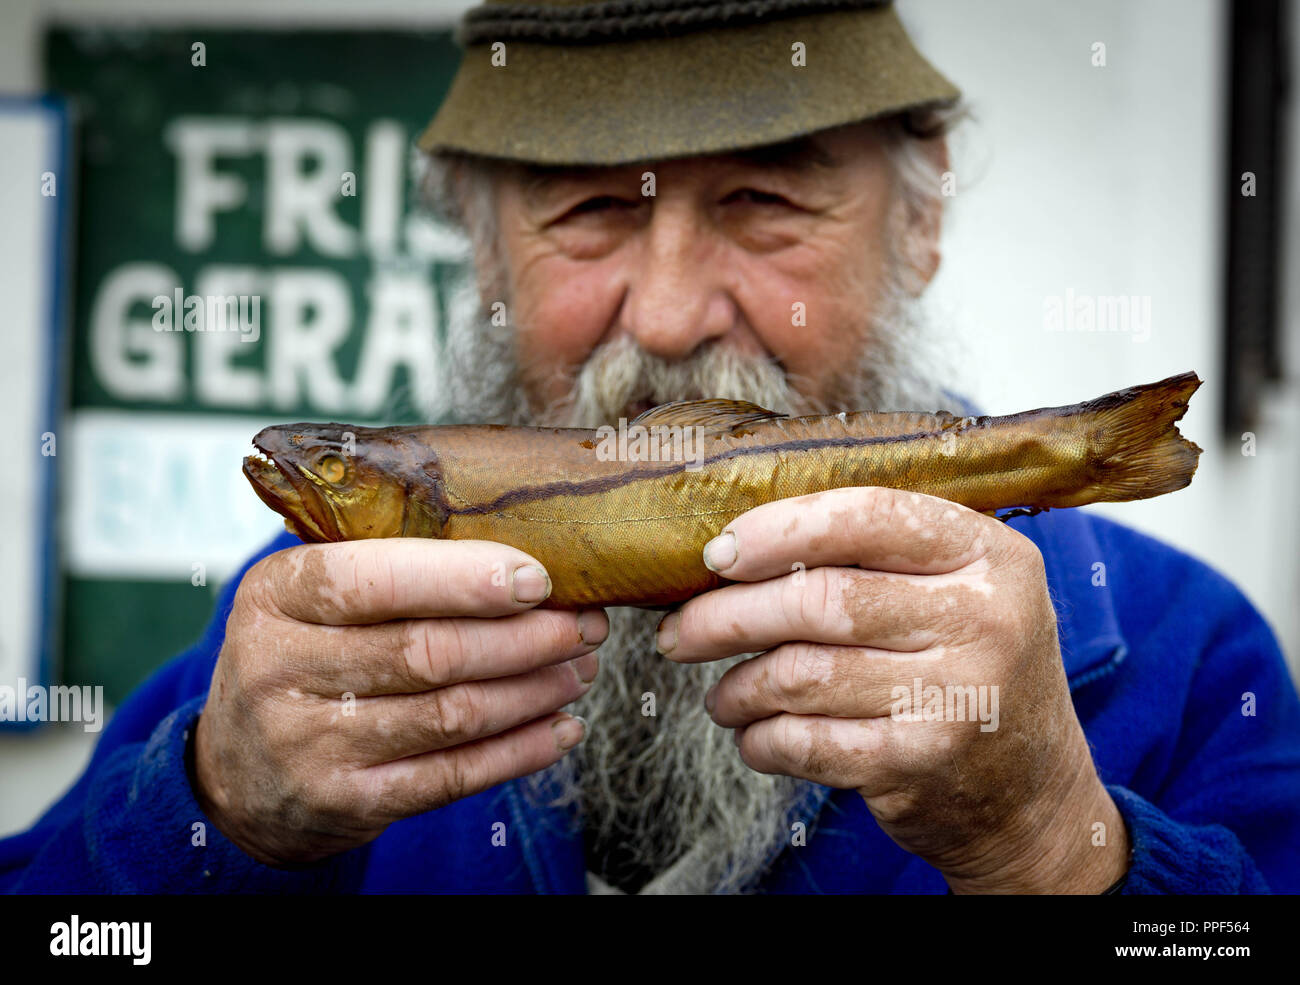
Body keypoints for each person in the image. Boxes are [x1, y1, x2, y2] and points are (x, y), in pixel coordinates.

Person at [4, 0, 1298, 894]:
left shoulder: (1187, 656)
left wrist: (1045, 841)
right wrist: (207, 814)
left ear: (920, 219)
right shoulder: (293, 639)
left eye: (766, 198)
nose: (672, 315)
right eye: (584, 214)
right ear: (478, 234)